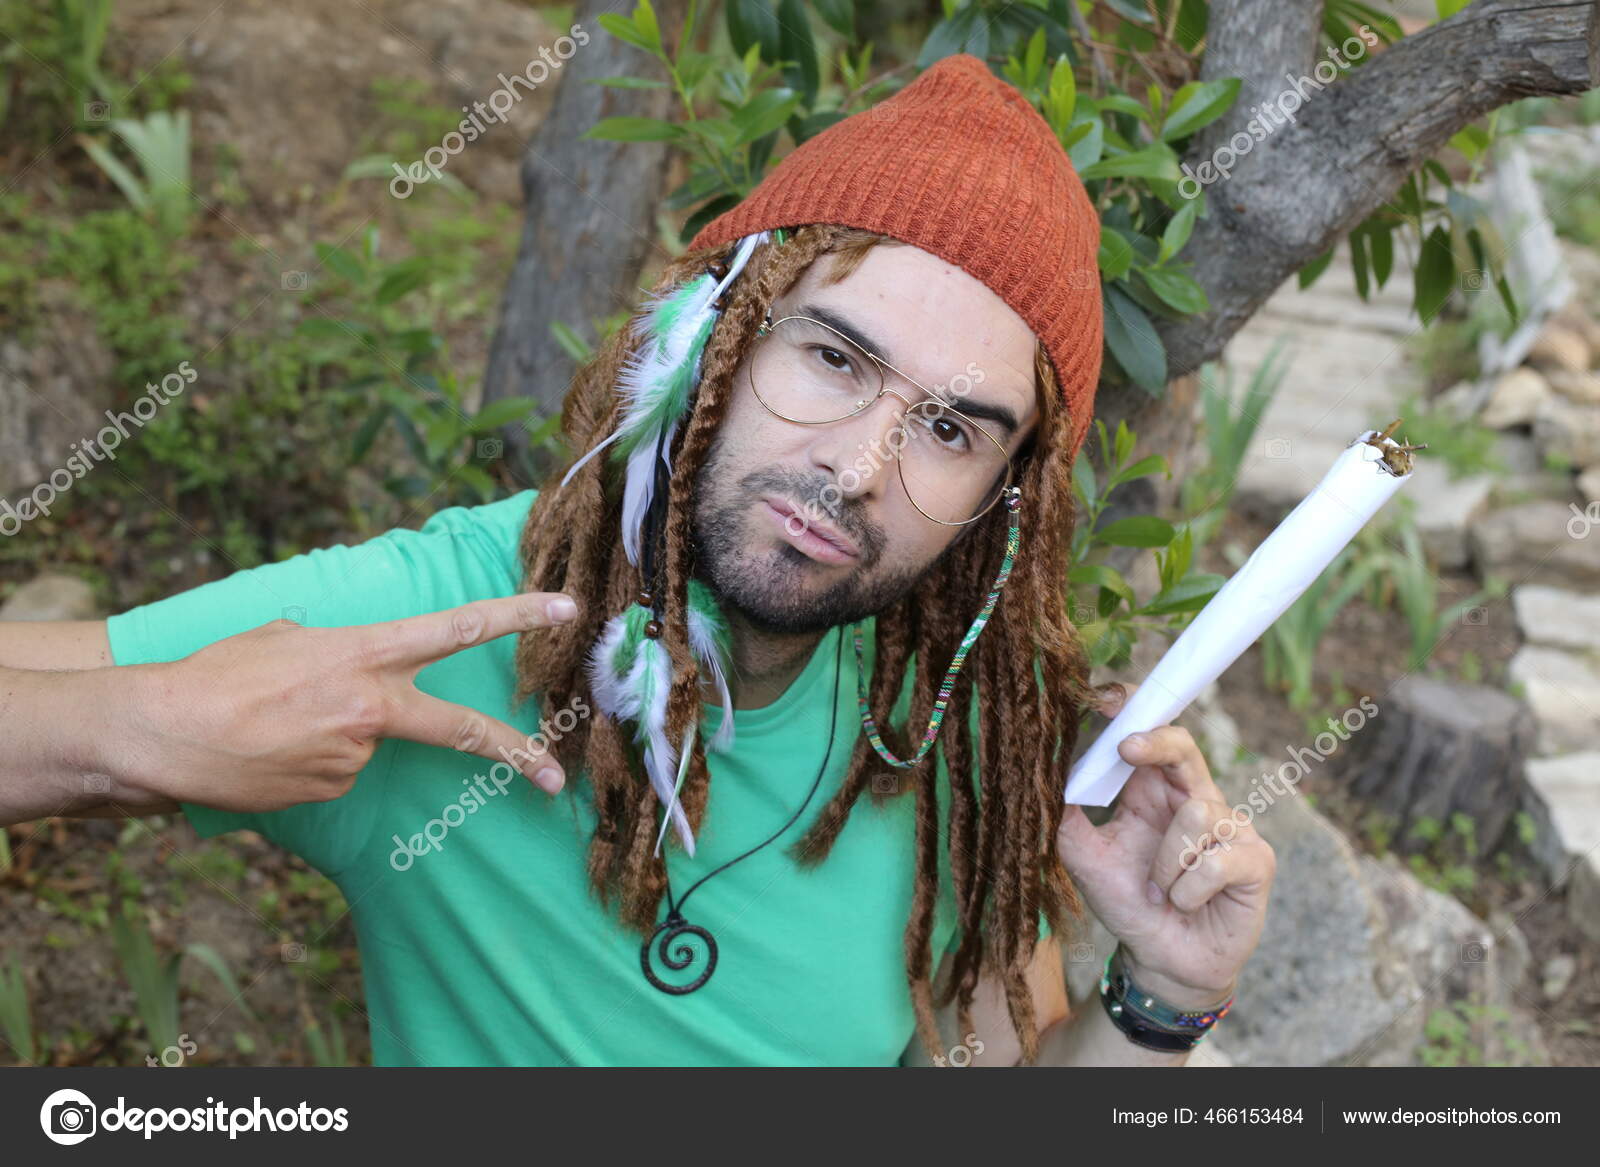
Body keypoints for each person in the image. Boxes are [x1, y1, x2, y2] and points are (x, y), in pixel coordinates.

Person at [0, 54, 1274, 1066]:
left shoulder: (942, 727)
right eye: (833, 358)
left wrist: (1163, 997)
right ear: (702, 347)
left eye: (949, 429)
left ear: (1002, 502)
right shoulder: (455, 624)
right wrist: (136, 719)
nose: (857, 466)